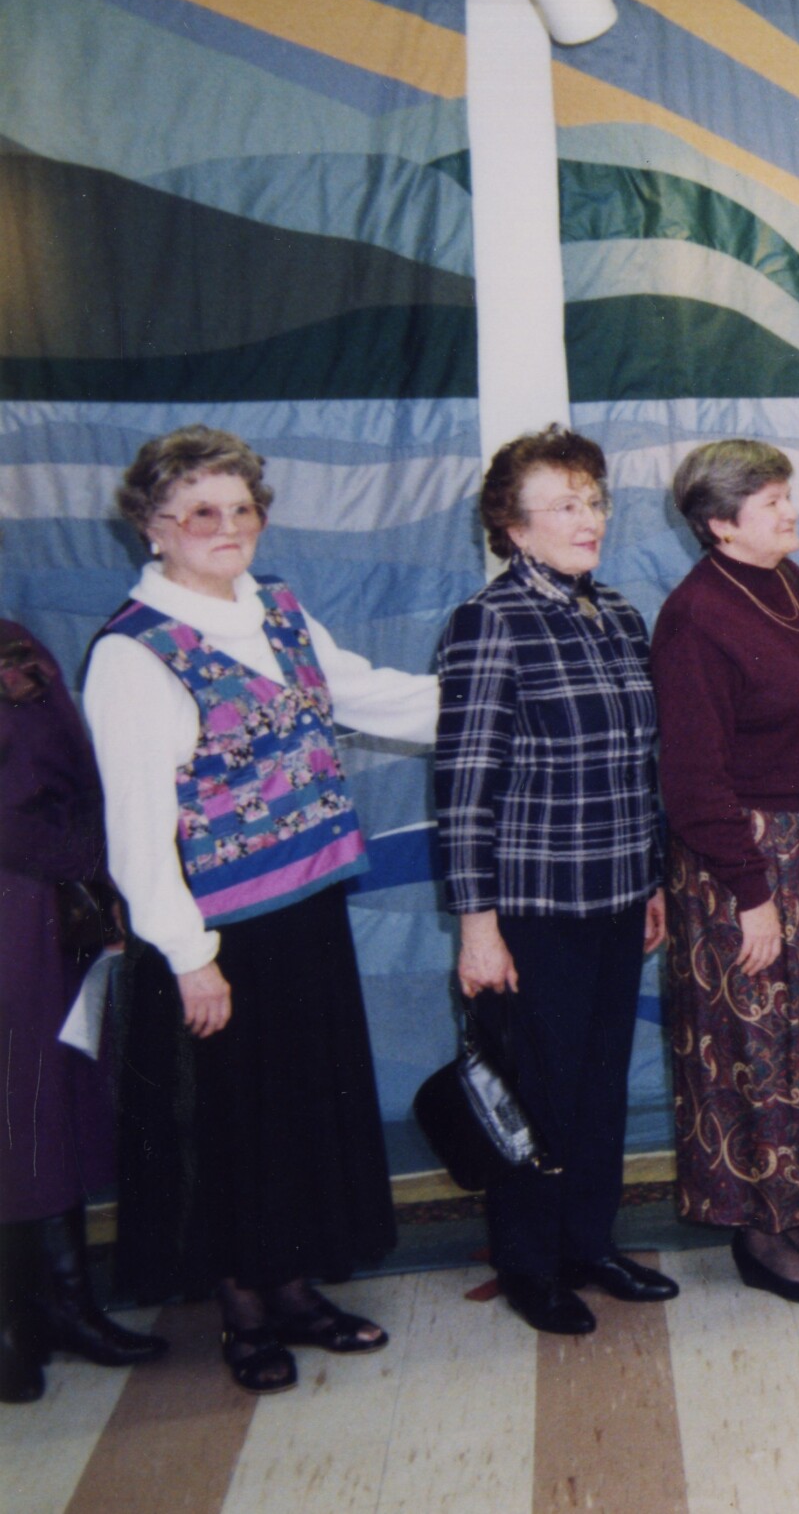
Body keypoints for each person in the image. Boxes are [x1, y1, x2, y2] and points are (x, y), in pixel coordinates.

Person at [85, 426, 438, 1393]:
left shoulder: (277, 609)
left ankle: (292, 1287)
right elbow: (136, 827)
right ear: (153, 528)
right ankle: (241, 1306)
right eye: (202, 512)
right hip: (216, 931)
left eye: (243, 508)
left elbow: (359, 693)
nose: (227, 527)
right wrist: (188, 953)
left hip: (306, 907)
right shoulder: (133, 652)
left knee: (295, 1109)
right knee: (233, 1122)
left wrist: (485, 698)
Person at [435, 427, 675, 1337]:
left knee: (601, 1082)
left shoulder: (616, 612)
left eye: (595, 500)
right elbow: (464, 788)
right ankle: (530, 1265)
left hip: (618, 897)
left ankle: (589, 1244)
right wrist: (477, 925)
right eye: (565, 505)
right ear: (513, 526)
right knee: (535, 1092)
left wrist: (652, 879)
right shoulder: (487, 622)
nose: (589, 519)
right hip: (534, 909)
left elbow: (638, 765)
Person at [654, 440, 799, 1307]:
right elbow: (693, 778)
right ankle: (758, 1232)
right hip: (744, 860)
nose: (792, 513)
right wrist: (751, 893)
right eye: (771, 503)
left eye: (787, 495)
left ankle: (796, 1206)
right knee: (757, 1045)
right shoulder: (695, 618)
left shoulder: (787, 582)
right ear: (719, 525)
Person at [1, 604, 166, 1402]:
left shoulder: (10, 635)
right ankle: (16, 1322)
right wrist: (91, 855)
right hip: (18, 898)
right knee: (19, 1105)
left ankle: (59, 1305)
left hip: (36, 909)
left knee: (42, 1104)